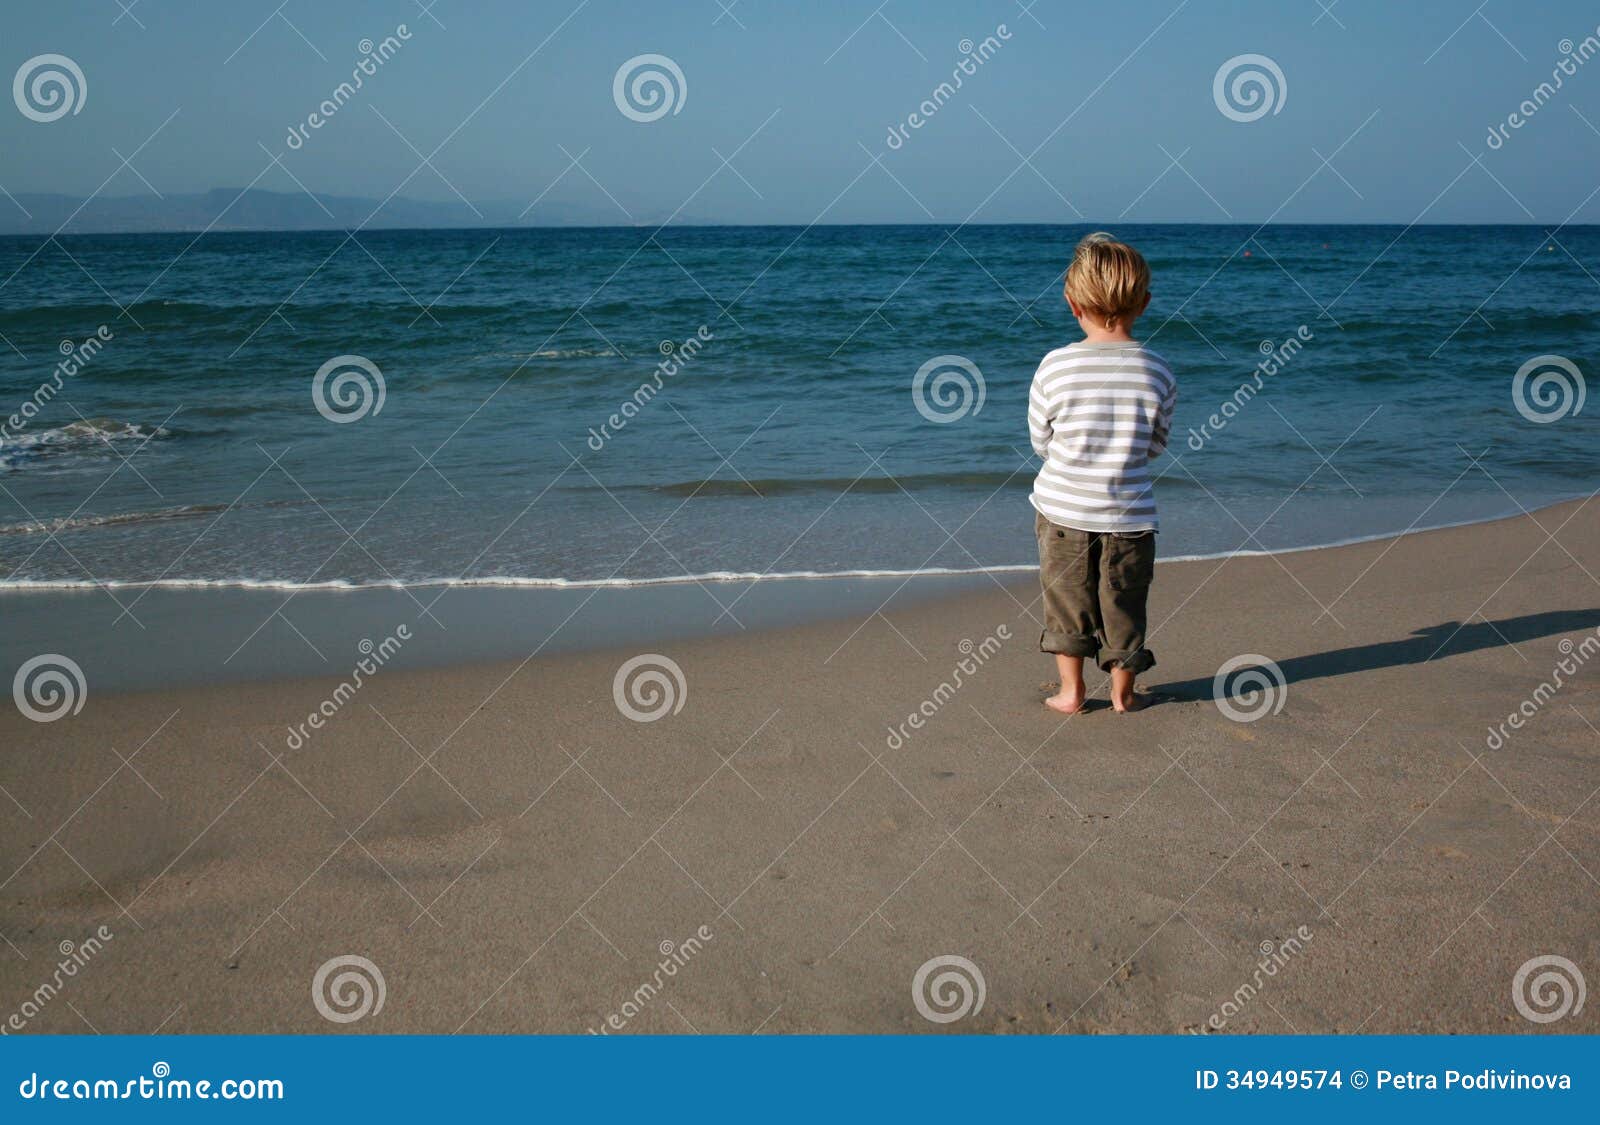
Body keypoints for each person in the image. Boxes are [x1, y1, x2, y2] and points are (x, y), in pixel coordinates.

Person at [1028, 232, 1176, 714]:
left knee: (1067, 600)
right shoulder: (1157, 370)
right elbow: (1156, 444)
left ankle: (1071, 693)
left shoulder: (1055, 366)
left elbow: (1041, 440)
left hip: (1063, 511)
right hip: (1131, 516)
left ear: (1072, 304)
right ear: (1146, 303)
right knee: (1125, 602)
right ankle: (1123, 693)